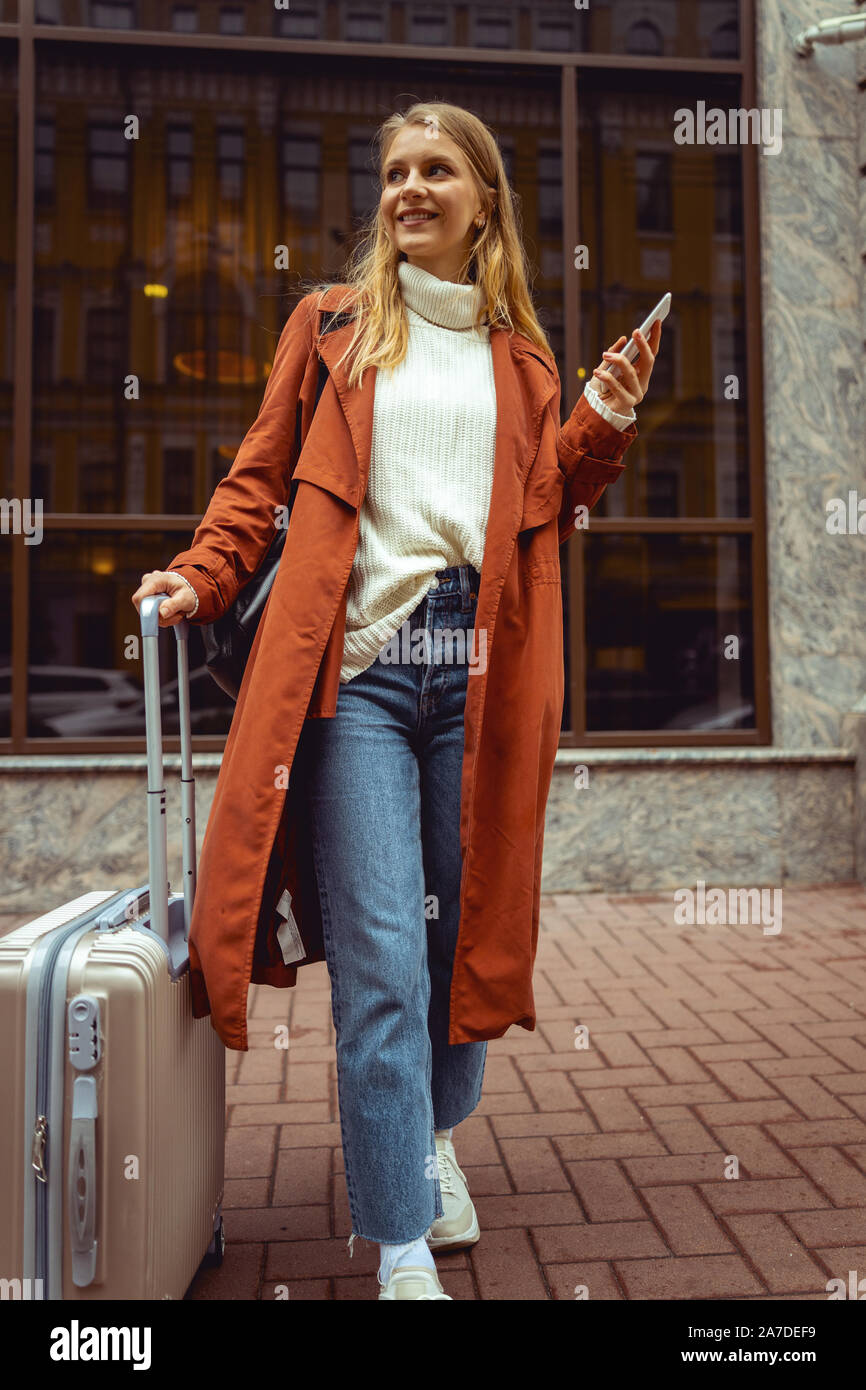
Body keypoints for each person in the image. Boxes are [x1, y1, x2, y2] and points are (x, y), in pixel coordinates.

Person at [132, 100, 661, 1301]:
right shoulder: (327, 327)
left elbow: (546, 502)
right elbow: (255, 485)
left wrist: (605, 418)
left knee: (455, 936)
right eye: (391, 172)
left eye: (434, 171)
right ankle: (400, 1238)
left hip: (479, 671)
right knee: (379, 954)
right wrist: (201, 576)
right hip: (360, 678)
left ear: (481, 200)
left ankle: (427, 1135)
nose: (407, 189)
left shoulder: (520, 358)